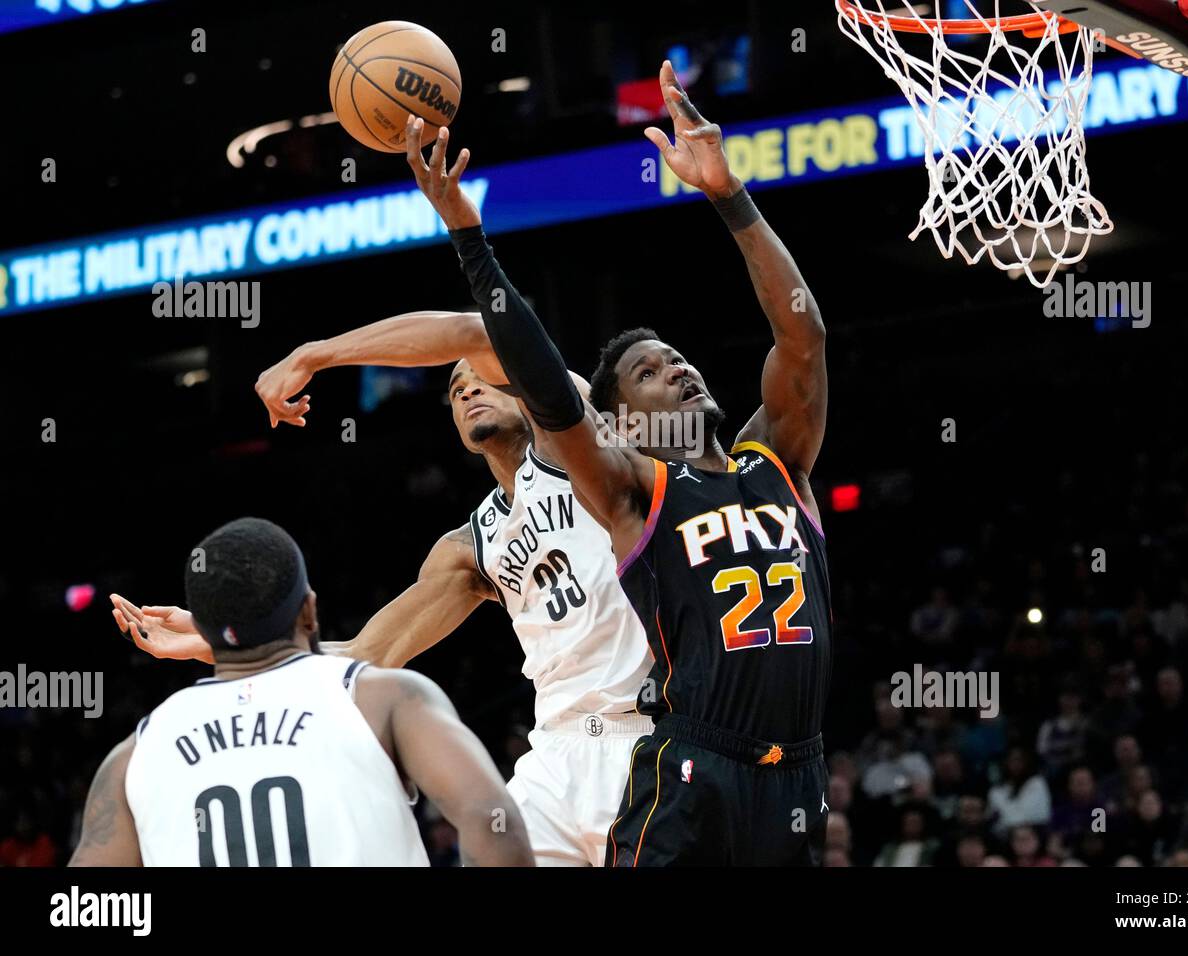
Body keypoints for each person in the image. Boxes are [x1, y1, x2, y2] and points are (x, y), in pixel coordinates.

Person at [408, 58, 831, 866]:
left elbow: (802, 339)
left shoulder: (778, 460)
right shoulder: (639, 490)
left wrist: (728, 196)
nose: (676, 366)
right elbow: (544, 386)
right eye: (649, 370)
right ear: (623, 423)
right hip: (692, 770)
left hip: (799, 776)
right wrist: (470, 240)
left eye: (675, 356)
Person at [113, 310, 655, 867]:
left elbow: (480, 329)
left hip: (648, 734)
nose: (467, 388)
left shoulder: (578, 444)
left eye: (482, 378)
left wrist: (314, 353)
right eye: (455, 388)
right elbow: (365, 656)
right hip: (556, 754)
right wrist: (222, 642)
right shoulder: (469, 548)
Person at [75, 518, 532, 866]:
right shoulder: (381, 698)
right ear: (309, 611)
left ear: (207, 630)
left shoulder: (137, 750)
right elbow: (493, 819)